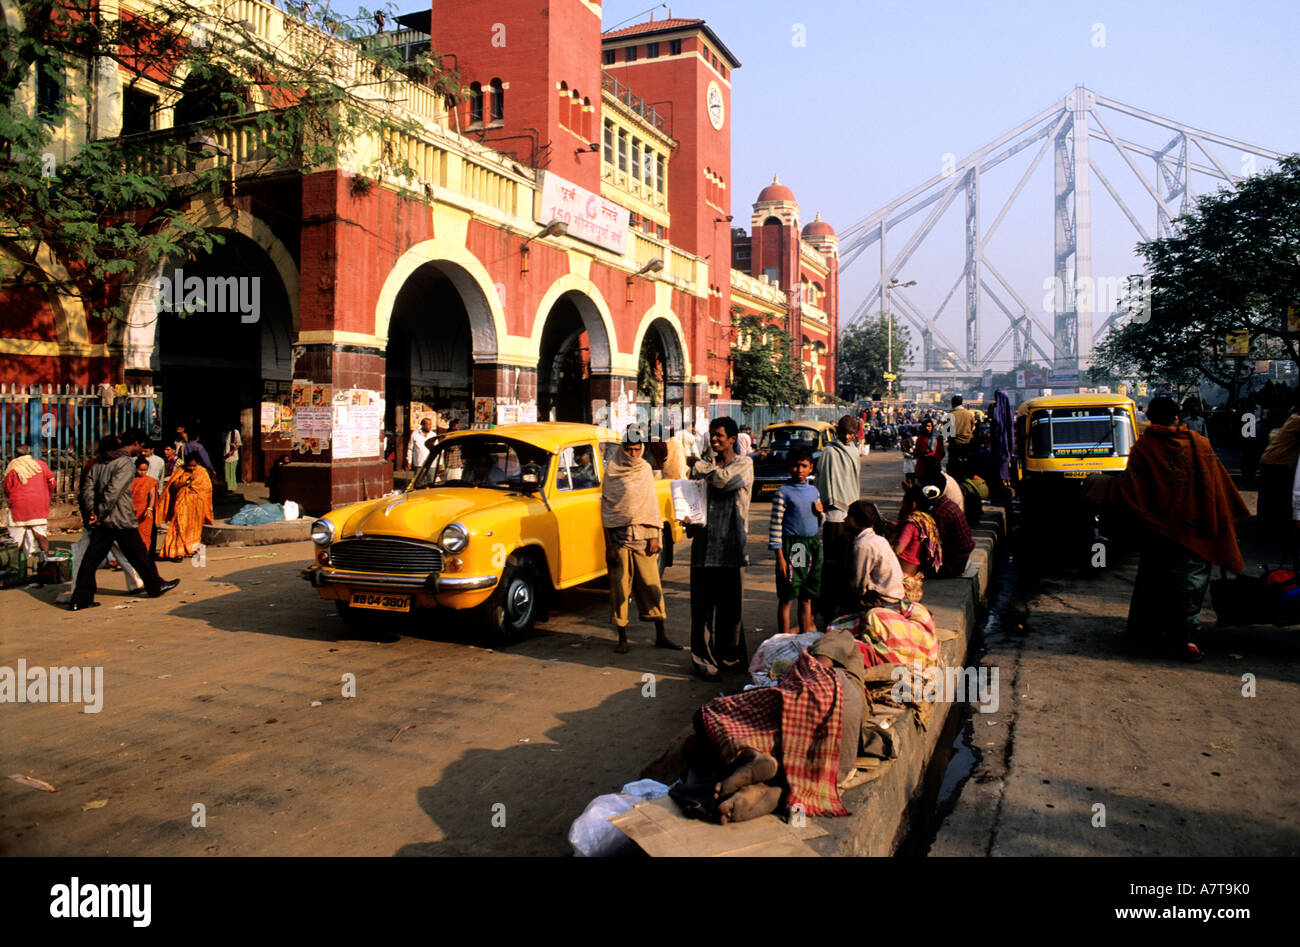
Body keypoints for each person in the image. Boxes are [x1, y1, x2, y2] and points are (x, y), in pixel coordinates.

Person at [1108, 396, 1250, 662]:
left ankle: (1147, 633)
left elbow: (1133, 487)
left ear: (1150, 418)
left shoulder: (1144, 447)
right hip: (1197, 527)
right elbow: (1217, 485)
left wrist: (1107, 487)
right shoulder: (1200, 444)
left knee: (1155, 581)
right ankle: (1184, 639)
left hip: (1160, 532)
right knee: (1191, 585)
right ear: (1177, 417)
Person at [70, 429, 178, 610]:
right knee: (138, 555)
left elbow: (87, 490)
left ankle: (80, 599)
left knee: (93, 560)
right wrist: (100, 512)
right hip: (119, 518)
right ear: (135, 443)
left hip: (104, 521)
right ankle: (155, 585)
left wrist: (92, 512)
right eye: (141, 446)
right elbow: (114, 491)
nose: (141, 451)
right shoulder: (125, 463)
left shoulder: (98, 464)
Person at [601, 425, 680, 654]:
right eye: (629, 449)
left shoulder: (645, 469)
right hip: (619, 539)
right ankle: (622, 637)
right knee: (620, 589)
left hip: (645, 538)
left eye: (637, 449)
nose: (633, 454)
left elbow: (651, 504)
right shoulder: (612, 471)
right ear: (622, 448)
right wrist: (608, 546)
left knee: (652, 587)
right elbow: (606, 510)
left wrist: (655, 535)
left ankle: (661, 635)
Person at [687, 417, 753, 681]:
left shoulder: (743, 464)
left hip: (732, 547)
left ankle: (729, 655)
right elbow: (692, 496)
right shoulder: (705, 466)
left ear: (732, 439)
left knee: (731, 609)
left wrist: (701, 467)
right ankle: (703, 660)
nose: (714, 440)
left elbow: (724, 481)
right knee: (702, 610)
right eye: (712, 436)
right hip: (703, 548)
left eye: (719, 436)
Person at [768, 446, 824, 636]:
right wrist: (780, 557)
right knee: (788, 596)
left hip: (813, 545)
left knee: (807, 596)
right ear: (788, 467)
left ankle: (805, 638)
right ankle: (782, 640)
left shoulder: (814, 491)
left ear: (811, 468)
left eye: (803, 466)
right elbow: (776, 525)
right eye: (795, 466)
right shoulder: (783, 492)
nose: (799, 470)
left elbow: (818, 521)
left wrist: (820, 513)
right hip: (795, 547)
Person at [815, 414, 862, 624]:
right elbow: (823, 478)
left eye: (851, 433)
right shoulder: (829, 451)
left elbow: (854, 476)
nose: (847, 437)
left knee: (847, 562)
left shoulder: (854, 450)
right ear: (837, 431)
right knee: (832, 563)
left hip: (850, 513)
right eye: (844, 433)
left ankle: (843, 605)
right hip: (834, 514)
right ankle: (828, 606)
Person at [1257, 388, 1300, 555]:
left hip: (1273, 462)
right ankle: (1280, 537)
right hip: (1279, 465)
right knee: (1281, 504)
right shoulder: (1297, 420)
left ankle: (1271, 534)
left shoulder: (1292, 418)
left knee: (1272, 503)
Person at [843, 500, 904, 611]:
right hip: (896, 593)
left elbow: (859, 583)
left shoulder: (863, 545)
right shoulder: (879, 539)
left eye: (848, 516)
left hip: (883, 598)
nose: (845, 520)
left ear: (856, 520)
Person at [892, 482, 944, 603]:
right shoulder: (925, 519)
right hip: (916, 576)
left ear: (913, 504)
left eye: (904, 503)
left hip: (904, 578)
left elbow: (898, 550)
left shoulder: (910, 524)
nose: (902, 506)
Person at [3, 444, 56, 563]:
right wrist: (45, 494)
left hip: (18, 506)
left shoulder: (12, 468)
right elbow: (52, 482)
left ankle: (15, 565)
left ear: (16, 455)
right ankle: (45, 560)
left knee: (16, 539)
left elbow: (7, 489)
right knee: (40, 534)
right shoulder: (41, 465)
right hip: (38, 505)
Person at [918, 468, 974, 578]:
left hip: (954, 563)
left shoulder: (940, 513)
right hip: (960, 557)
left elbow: (932, 545)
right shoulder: (945, 503)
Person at [159, 456, 214, 561]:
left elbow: (207, 489)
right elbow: (174, 487)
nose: (192, 468)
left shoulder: (202, 472)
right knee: (179, 526)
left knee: (194, 529)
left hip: (197, 506)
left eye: (194, 466)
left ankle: (193, 550)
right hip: (182, 504)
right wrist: (187, 482)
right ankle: (176, 552)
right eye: (189, 465)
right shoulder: (180, 471)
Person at [130, 456, 158, 552]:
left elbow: (152, 496)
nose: (142, 472)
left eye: (145, 470)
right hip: (131, 511)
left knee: (144, 536)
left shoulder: (150, 481)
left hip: (145, 513)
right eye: (140, 469)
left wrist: (149, 508)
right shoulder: (130, 480)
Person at [948, 395, 974, 471]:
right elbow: (972, 428)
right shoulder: (969, 414)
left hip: (955, 444)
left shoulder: (951, 415)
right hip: (967, 444)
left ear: (952, 403)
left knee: (953, 468)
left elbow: (948, 431)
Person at [223, 425, 242, 492]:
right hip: (226, 456)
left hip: (233, 456)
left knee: (232, 473)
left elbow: (238, 444)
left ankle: (231, 488)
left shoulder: (235, 432)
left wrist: (232, 451)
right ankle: (228, 487)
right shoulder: (225, 433)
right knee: (226, 473)